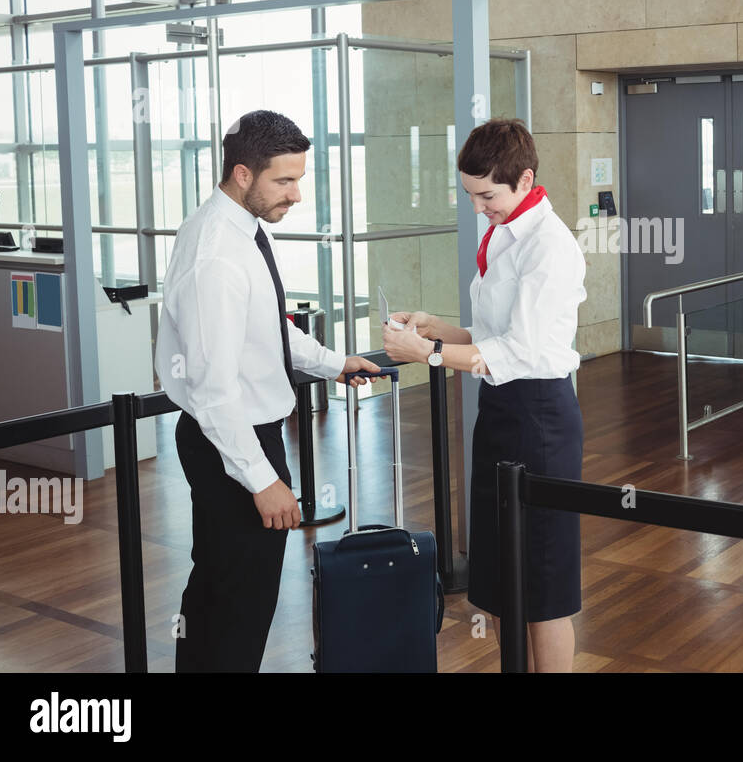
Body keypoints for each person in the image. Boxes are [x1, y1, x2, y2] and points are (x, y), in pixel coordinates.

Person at [156, 109, 384, 673]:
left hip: (239, 436)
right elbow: (212, 392)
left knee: (220, 586)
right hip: (231, 443)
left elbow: (267, 327)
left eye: (298, 178)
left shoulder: (240, 230)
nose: (296, 195)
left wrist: (331, 363)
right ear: (242, 174)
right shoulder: (216, 256)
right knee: (241, 600)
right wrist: (262, 480)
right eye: (284, 181)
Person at [383, 117, 587, 673]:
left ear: (524, 180)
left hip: (540, 418)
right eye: (470, 195)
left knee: (542, 590)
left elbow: (517, 353)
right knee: (497, 582)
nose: (478, 208)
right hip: (499, 412)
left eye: (486, 195)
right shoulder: (502, 230)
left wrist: (424, 355)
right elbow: (488, 340)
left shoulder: (550, 247)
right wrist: (433, 328)